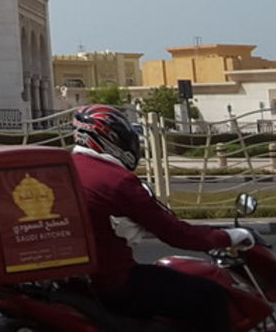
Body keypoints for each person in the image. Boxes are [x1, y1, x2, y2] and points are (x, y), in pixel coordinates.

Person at [70, 104, 252, 331]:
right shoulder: (117, 180)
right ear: (112, 138)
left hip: (77, 282)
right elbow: (175, 233)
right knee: (211, 296)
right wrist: (227, 236)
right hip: (114, 282)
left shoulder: (63, 168)